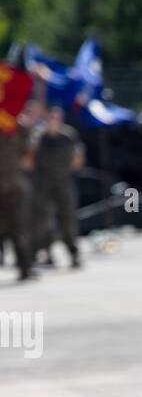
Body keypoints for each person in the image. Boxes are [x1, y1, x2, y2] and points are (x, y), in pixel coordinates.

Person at [29, 105, 85, 267]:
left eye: (56, 118)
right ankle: (45, 253)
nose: (54, 121)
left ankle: (73, 254)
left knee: (68, 219)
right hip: (43, 183)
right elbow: (29, 159)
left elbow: (79, 159)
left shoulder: (68, 136)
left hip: (63, 182)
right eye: (51, 118)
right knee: (43, 220)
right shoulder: (39, 136)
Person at [0, 121, 34, 281]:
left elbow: (29, 155)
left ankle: (25, 267)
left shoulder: (18, 128)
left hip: (14, 188)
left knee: (19, 229)